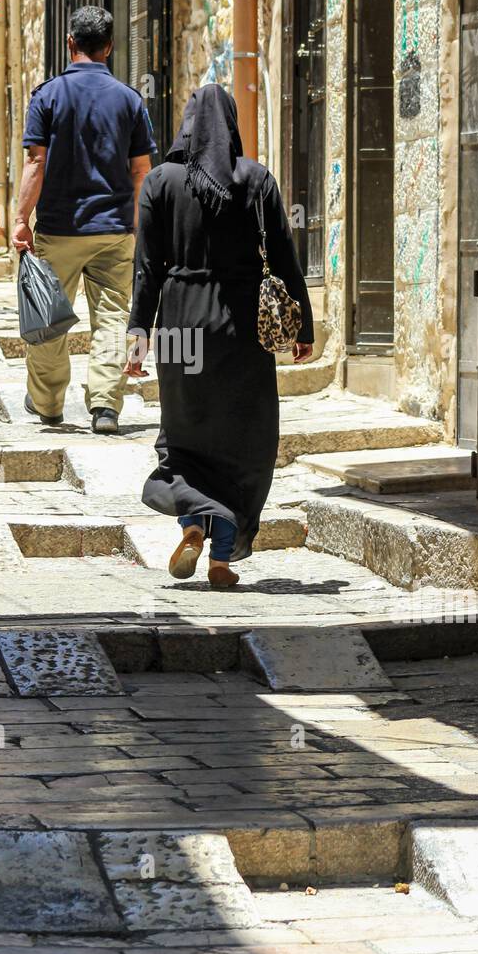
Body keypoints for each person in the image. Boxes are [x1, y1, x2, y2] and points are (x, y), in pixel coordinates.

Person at [125, 83, 314, 588]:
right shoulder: (255, 180)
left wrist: (138, 335)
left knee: (182, 435)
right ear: (232, 124)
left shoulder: (160, 183)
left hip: (181, 326)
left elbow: (146, 269)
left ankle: (191, 524)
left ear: (187, 123)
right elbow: (285, 257)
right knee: (244, 438)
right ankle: (221, 558)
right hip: (241, 329)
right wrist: (305, 327)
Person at [14, 5, 155, 435]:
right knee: (113, 317)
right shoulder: (130, 100)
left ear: (70, 43)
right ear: (110, 47)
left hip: (59, 229)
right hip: (114, 230)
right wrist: (135, 225)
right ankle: (105, 408)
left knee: (47, 318)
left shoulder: (48, 96)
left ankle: (48, 402)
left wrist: (21, 218)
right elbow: (141, 171)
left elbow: (36, 164)